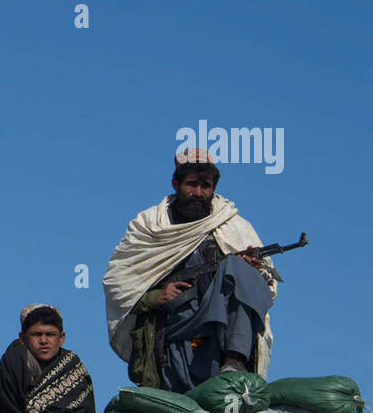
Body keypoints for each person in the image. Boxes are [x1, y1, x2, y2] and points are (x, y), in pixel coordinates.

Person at [103, 149, 278, 391]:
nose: (198, 193)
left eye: (205, 186)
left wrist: (252, 268)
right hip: (174, 334)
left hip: (219, 335)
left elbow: (267, 284)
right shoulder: (150, 226)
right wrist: (158, 296)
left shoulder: (231, 224)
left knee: (238, 266)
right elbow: (118, 283)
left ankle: (235, 359)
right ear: (176, 184)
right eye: (191, 184)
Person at [0, 304, 96, 413]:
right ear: (22, 338)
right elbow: (7, 409)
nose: (43, 341)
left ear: (62, 338)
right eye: (36, 335)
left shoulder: (73, 367)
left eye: (50, 335)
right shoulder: (12, 363)